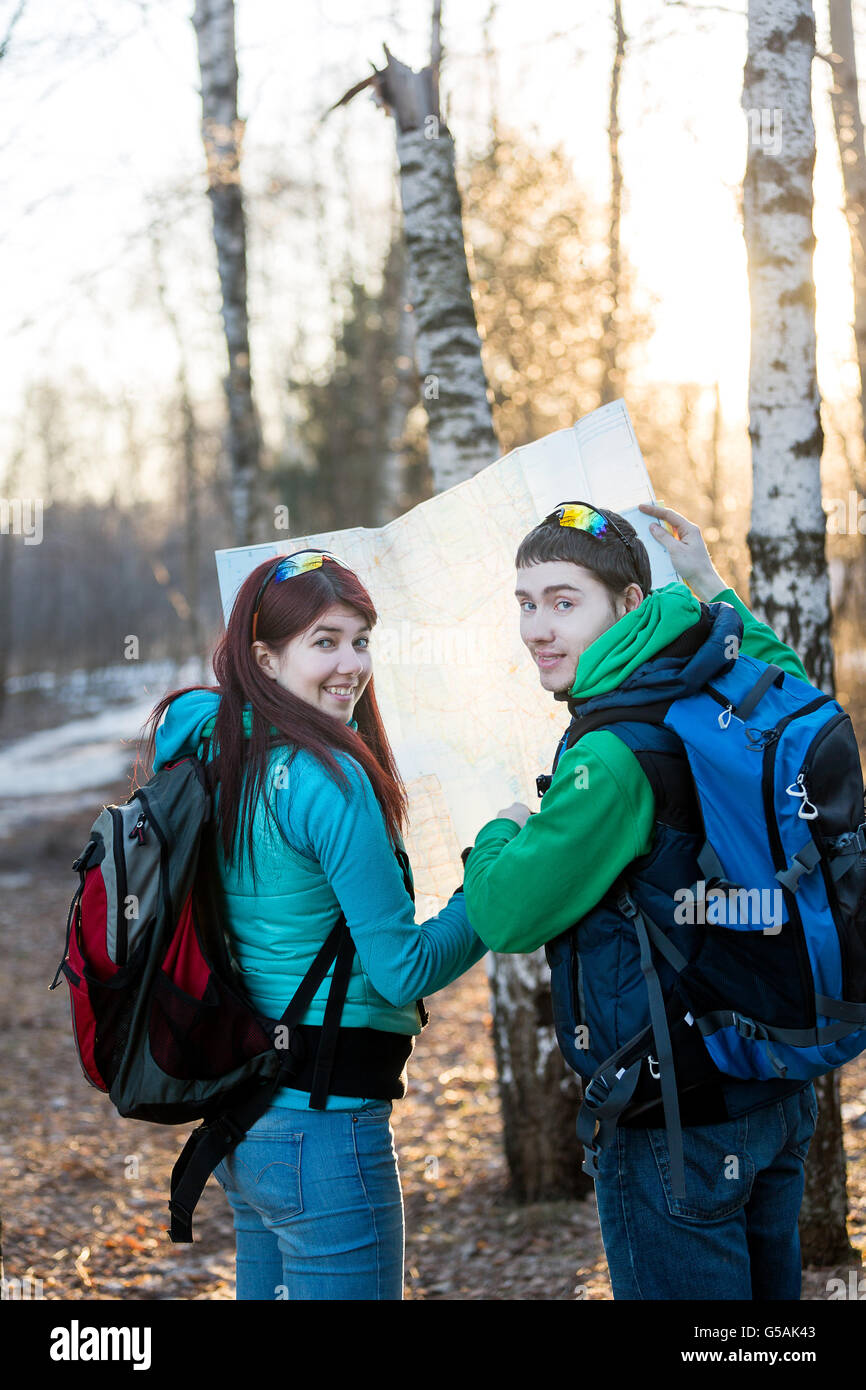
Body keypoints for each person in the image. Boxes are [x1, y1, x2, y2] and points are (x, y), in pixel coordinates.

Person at [462, 501, 819, 1301]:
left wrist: (497, 830)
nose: (536, 629)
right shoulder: (710, 677)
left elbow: (504, 914)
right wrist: (708, 579)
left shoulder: (613, 751)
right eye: (525, 603)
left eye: (563, 601)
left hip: (674, 1124)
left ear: (627, 605)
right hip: (771, 1095)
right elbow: (791, 685)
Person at [144, 550, 486, 1301]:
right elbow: (402, 969)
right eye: (324, 642)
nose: (351, 663)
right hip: (325, 1127)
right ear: (264, 658)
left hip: (249, 1124)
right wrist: (488, 888)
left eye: (361, 639)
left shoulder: (217, 752)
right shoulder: (329, 779)